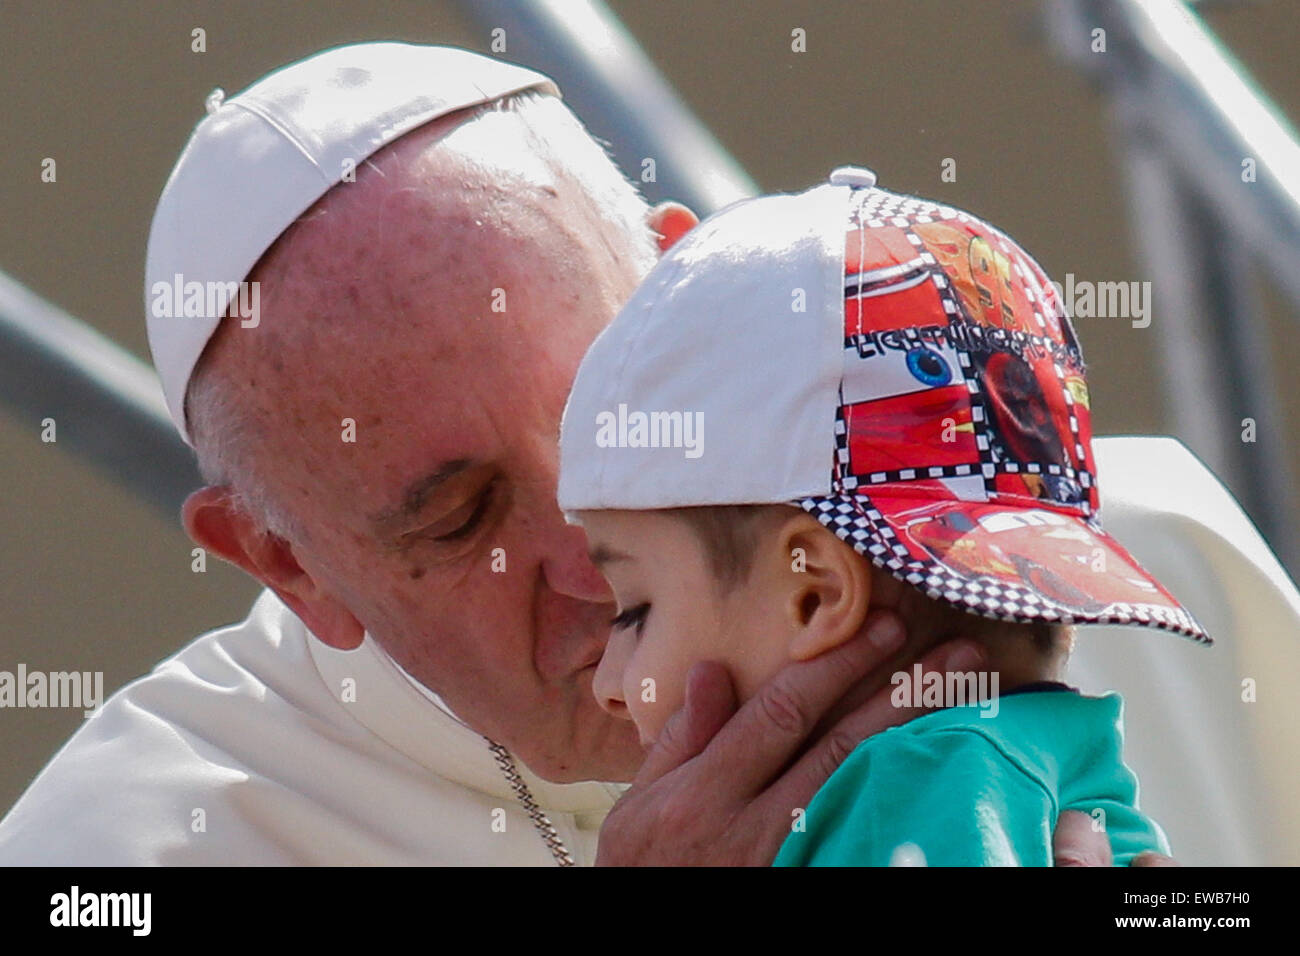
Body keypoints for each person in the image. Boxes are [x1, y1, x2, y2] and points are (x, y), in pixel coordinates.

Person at [0, 42, 1162, 865]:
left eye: (618, 421)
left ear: (685, 286)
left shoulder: (1102, 559)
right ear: (284, 562)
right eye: (459, 520)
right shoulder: (122, 859)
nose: (592, 560)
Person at [558, 170, 1211, 864]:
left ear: (814, 592)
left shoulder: (919, 794)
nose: (609, 686)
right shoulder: (1033, 771)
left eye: (635, 610)